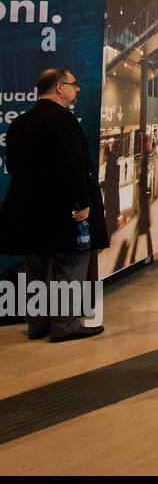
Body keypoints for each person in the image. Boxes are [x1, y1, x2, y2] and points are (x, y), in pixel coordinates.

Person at [0, 68, 108, 341]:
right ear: (59, 87)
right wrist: (82, 203)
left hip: (28, 212)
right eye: (74, 85)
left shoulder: (20, 123)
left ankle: (37, 324)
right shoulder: (65, 121)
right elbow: (74, 166)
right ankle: (66, 325)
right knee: (71, 264)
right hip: (63, 212)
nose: (78, 90)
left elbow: (13, 165)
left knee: (36, 266)